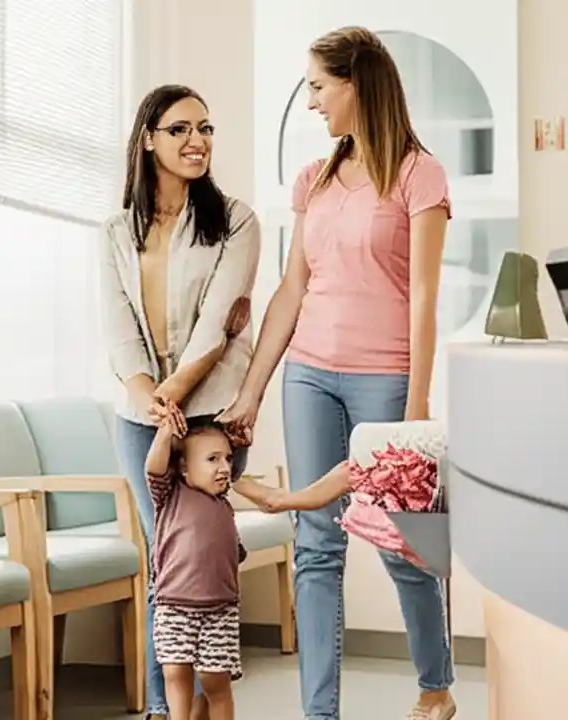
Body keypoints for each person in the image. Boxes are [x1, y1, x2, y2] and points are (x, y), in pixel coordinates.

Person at [219, 26, 457, 720]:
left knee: (398, 543)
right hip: (310, 375)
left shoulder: (420, 175)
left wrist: (415, 404)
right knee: (317, 546)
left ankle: (435, 687)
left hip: (384, 379)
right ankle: (319, 715)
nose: (314, 100)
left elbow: (424, 299)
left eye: (321, 86)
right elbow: (293, 288)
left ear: (358, 84)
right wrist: (254, 390)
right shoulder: (312, 180)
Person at [99, 83, 262, 720]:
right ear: (148, 139)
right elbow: (117, 328)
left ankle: (194, 708)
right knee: (163, 564)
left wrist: (174, 393)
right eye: (180, 130)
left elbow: (219, 322)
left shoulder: (237, 220)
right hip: (143, 417)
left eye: (206, 128)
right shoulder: (114, 231)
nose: (198, 141)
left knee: (197, 557)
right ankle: (167, 711)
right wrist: (148, 397)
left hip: (212, 412)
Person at [145, 404, 246, 720]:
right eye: (213, 459)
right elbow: (154, 467)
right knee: (175, 672)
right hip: (174, 605)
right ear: (185, 468)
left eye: (227, 459)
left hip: (219, 610)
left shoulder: (224, 507)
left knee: (216, 681)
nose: (224, 467)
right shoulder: (170, 494)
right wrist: (165, 433)